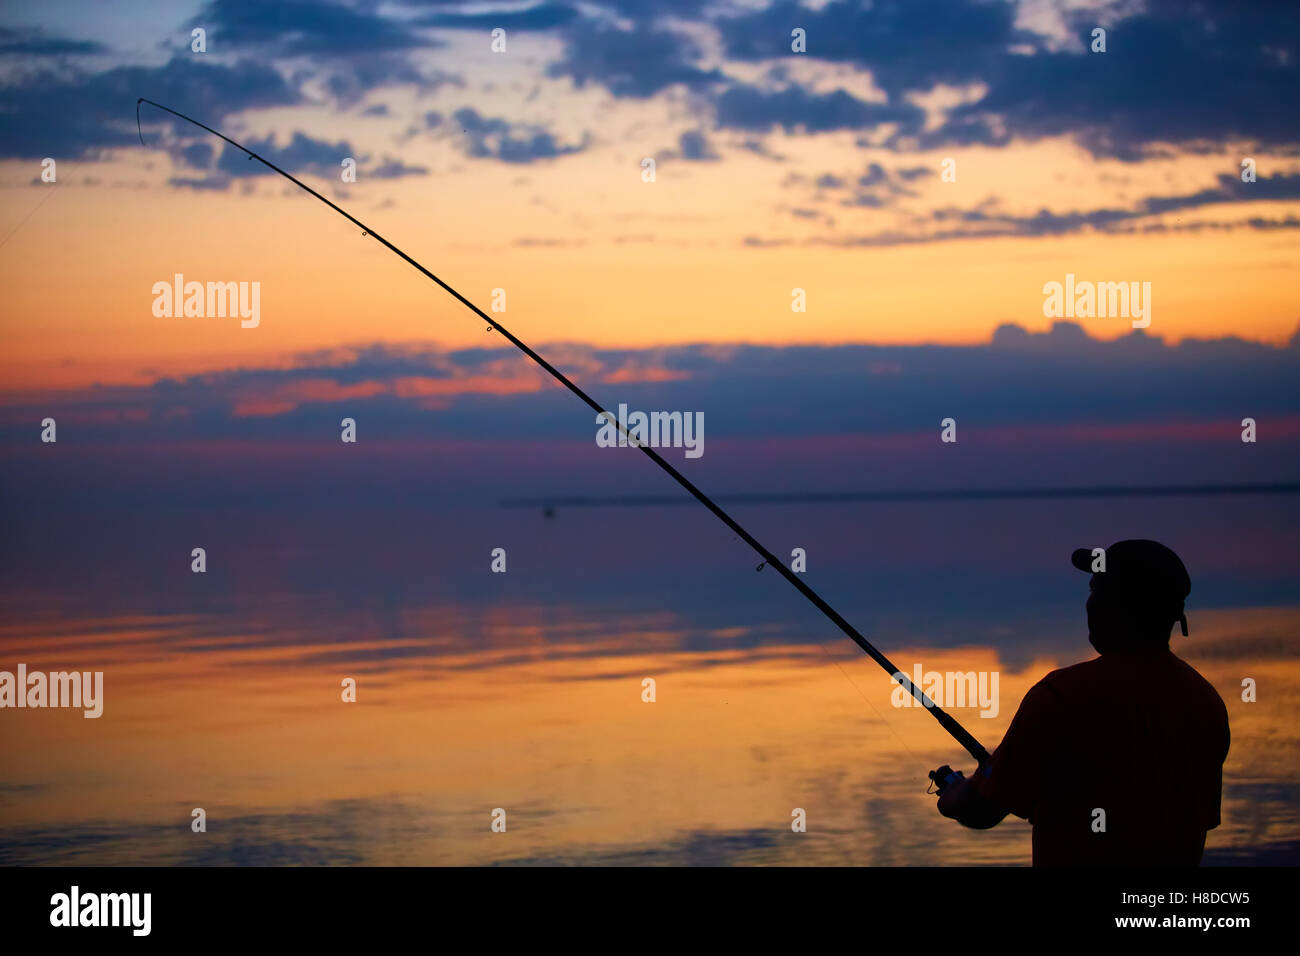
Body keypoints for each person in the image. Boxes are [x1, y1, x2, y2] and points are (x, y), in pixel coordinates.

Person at [932, 539, 1230, 866]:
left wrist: (953, 794)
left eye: (1095, 590)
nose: (1089, 604)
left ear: (1116, 604)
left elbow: (981, 810)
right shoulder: (1206, 703)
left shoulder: (1061, 696)